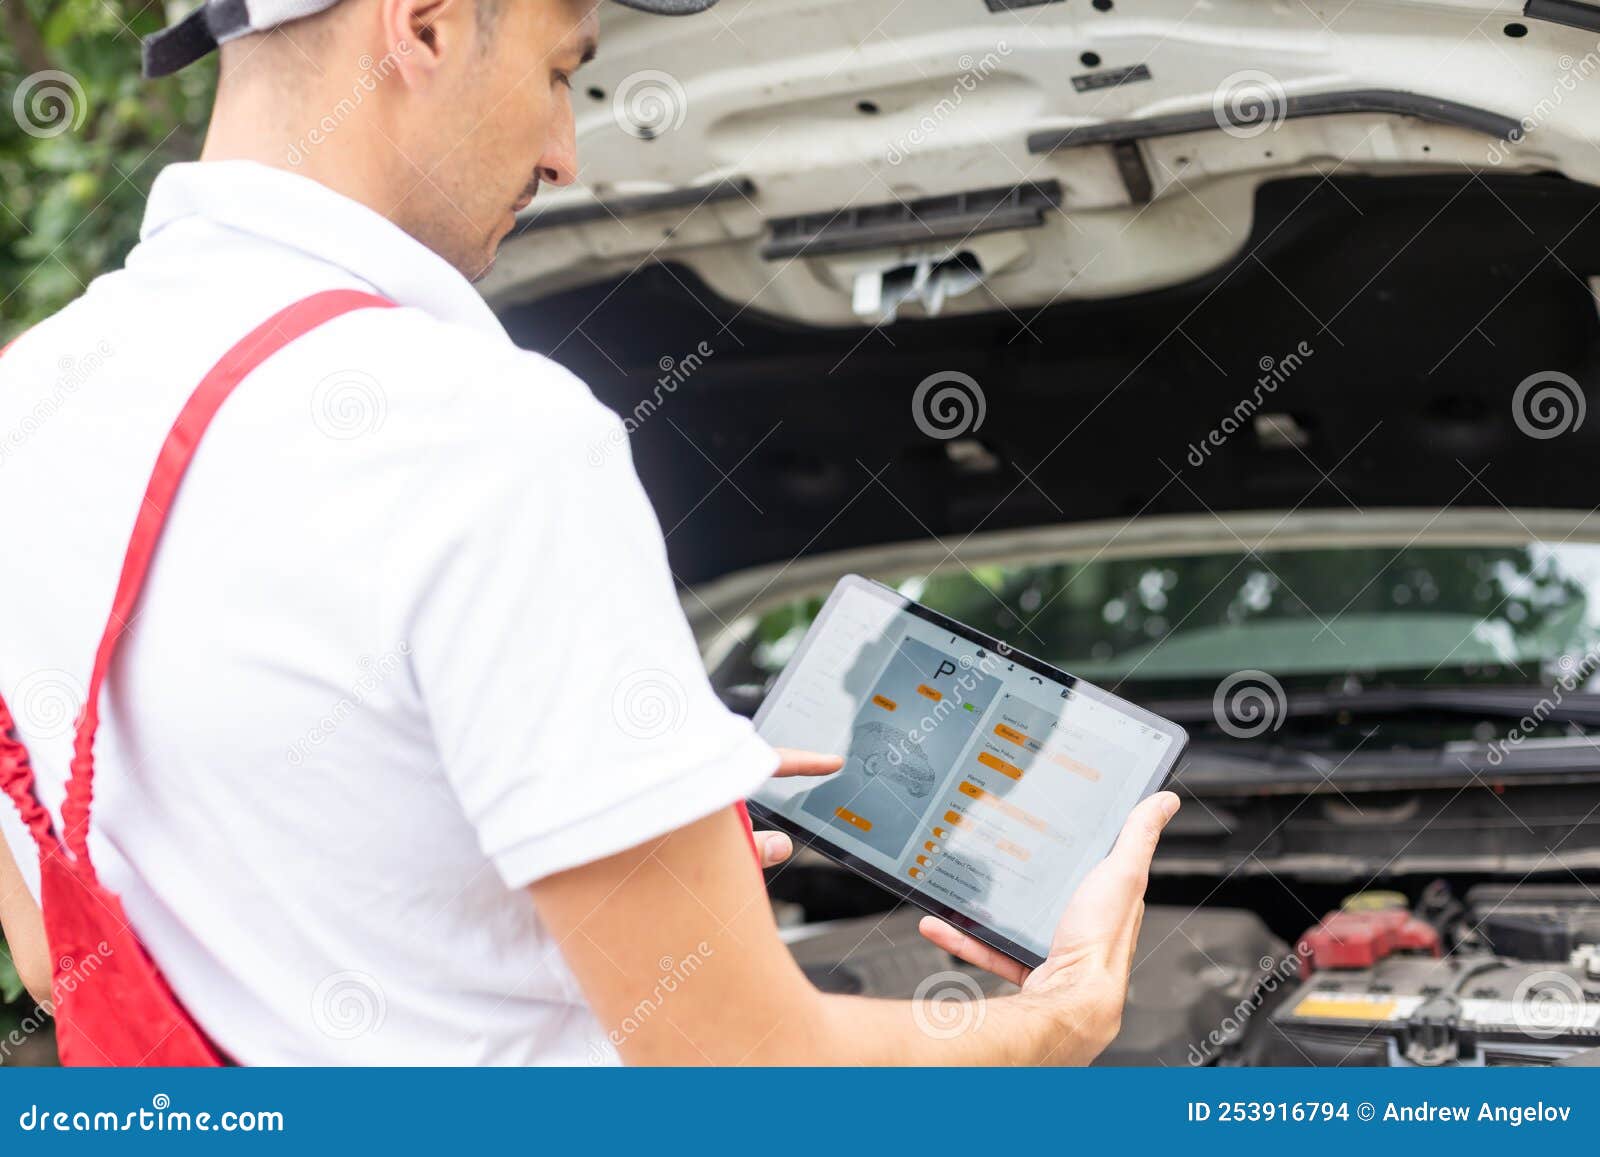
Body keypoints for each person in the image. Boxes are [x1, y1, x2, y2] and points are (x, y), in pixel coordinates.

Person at [0, 0, 1179, 1064]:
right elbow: (743, 1077)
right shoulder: (484, 427)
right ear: (422, 26)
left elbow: (68, 954)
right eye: (564, 71)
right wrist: (1058, 1016)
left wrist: (586, 832)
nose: (565, 152)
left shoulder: (29, 403)